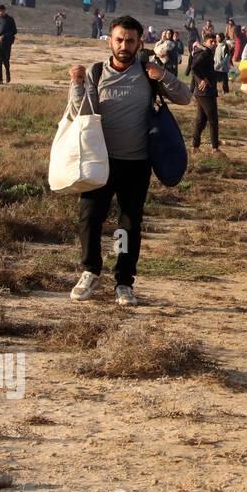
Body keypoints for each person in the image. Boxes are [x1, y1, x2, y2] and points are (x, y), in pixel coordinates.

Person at [65, 16, 193, 306]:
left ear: (140, 43)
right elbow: (80, 115)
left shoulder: (149, 74)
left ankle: (123, 282)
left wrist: (163, 76)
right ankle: (90, 271)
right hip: (100, 161)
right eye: (119, 39)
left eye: (130, 40)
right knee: (89, 218)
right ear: (110, 40)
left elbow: (185, 98)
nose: (124, 45)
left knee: (129, 224)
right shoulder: (96, 73)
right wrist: (76, 85)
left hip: (137, 163)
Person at [189, 36, 223, 154]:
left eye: (214, 41)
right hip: (205, 92)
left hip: (204, 91)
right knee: (213, 120)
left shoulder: (206, 52)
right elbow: (194, 67)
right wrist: (202, 79)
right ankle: (215, 148)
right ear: (205, 42)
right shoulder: (205, 53)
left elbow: (200, 68)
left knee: (201, 120)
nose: (213, 43)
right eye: (211, 41)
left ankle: (195, 146)